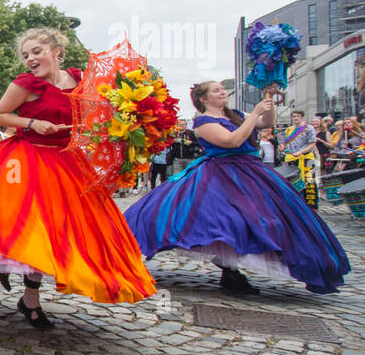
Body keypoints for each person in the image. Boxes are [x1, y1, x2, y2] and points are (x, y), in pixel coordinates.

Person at [0, 28, 156, 327]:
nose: (30, 59)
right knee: (23, 221)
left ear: (57, 51)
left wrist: (130, 117)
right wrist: (33, 122)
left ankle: (29, 297)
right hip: (26, 158)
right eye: (26, 55)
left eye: (37, 51)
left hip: (66, 163)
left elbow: (96, 115)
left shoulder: (80, 80)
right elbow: (0, 115)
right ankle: (16, 272)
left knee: (57, 231)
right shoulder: (26, 83)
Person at [125, 83, 350, 295]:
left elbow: (266, 122)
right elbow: (232, 141)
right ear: (203, 99)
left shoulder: (235, 115)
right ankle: (229, 270)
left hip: (251, 171)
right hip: (220, 173)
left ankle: (234, 270)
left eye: (223, 89)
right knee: (225, 219)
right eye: (216, 90)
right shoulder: (203, 122)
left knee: (266, 219)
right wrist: (254, 113)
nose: (223, 92)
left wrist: (268, 99)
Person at [282, 110, 318, 209]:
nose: (296, 118)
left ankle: (311, 205)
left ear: (302, 117)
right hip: (291, 158)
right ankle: (296, 203)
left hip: (306, 158)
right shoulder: (288, 130)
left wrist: (301, 152)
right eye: (294, 116)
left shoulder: (308, 128)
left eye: (298, 116)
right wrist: (283, 148)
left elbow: (312, 144)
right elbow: (286, 145)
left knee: (309, 180)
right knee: (292, 180)